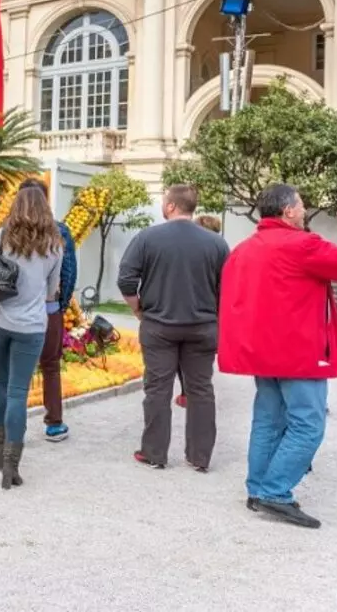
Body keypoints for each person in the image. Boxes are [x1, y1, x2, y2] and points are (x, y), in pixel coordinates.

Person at [219, 184, 337, 528]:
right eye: (301, 205)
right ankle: (275, 492)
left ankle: (258, 490)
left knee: (267, 421)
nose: (304, 210)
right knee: (308, 424)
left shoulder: (245, 249)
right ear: (288, 211)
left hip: (265, 354)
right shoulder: (302, 245)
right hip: (298, 354)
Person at [117, 185, 229, 471]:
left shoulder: (147, 238)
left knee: (157, 388)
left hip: (158, 325)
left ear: (170, 206)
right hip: (203, 327)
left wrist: (137, 308)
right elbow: (227, 286)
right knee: (201, 390)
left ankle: (154, 453)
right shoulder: (216, 243)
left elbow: (126, 280)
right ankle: (200, 457)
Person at [0, 184, 62, 490]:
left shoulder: (1, 236)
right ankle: (12, 463)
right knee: (18, 392)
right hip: (32, 327)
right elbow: (51, 292)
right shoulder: (54, 244)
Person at [18, 177, 77, 442]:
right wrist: (59, 306)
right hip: (48, 309)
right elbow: (69, 273)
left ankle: (12, 426)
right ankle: (54, 423)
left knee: (15, 369)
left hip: (15, 312)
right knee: (50, 367)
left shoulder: (7, 231)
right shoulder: (60, 231)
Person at [173, 214, 225, 409]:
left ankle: (187, 393)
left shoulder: (184, 250)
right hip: (207, 315)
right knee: (202, 359)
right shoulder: (220, 249)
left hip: (180, 310)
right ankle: (197, 393)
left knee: (180, 356)